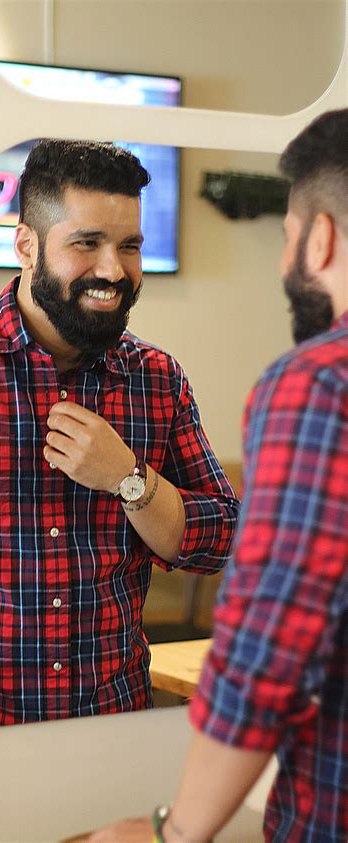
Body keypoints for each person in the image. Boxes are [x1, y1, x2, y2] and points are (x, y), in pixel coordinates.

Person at [0, 140, 239, 736]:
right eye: (86, 243)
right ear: (26, 244)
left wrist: (130, 481)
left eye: (129, 246)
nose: (114, 270)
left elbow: (219, 539)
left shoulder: (156, 379)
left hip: (110, 733)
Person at [89, 108, 348, 843]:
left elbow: (271, 639)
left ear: (318, 237)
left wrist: (176, 831)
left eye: (288, 237)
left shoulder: (318, 384)